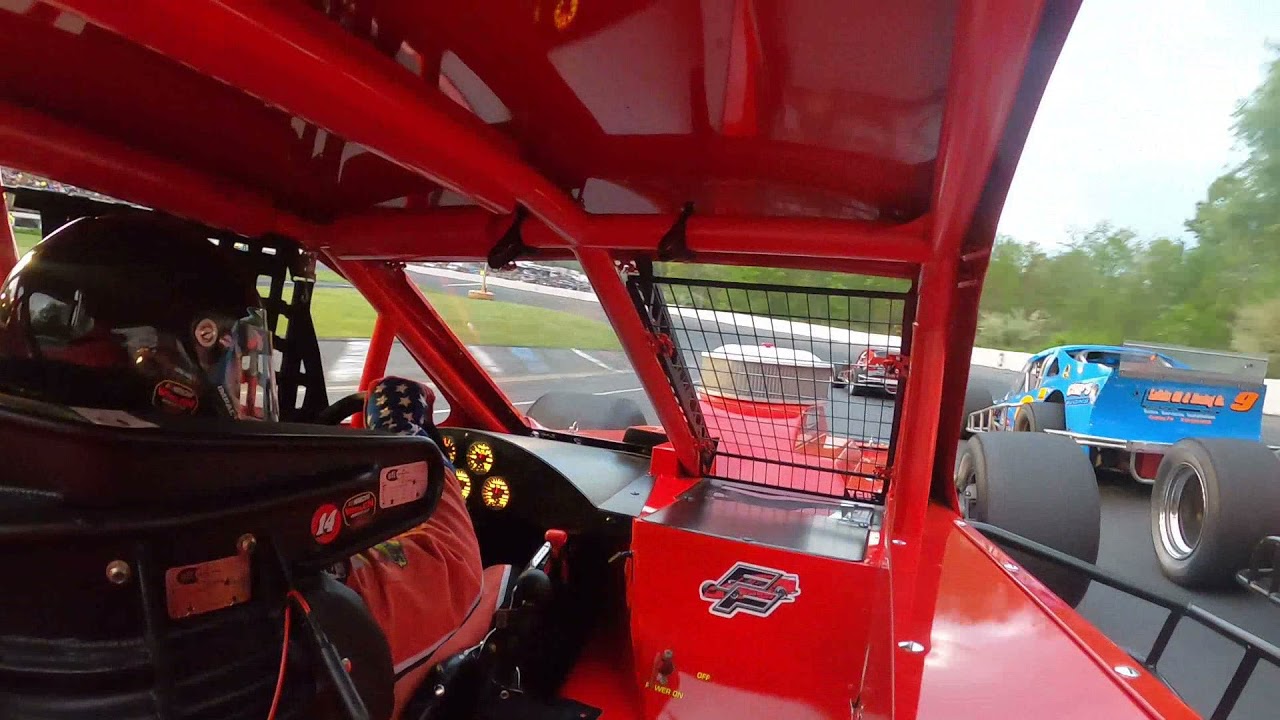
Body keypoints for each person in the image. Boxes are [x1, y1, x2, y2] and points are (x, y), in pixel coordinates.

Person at [0, 213, 487, 711]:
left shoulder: (33, 536)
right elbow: (451, 565)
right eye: (234, 363)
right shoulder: (257, 577)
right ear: (173, 383)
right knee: (500, 583)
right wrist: (409, 430)